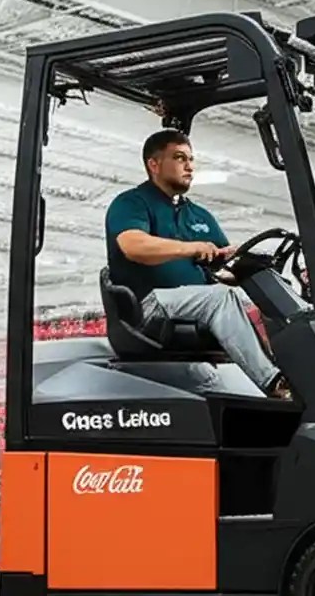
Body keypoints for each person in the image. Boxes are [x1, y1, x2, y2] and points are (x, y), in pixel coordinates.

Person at [105, 129, 292, 399]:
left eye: (191, 159)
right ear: (154, 164)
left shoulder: (198, 214)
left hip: (195, 303)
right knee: (220, 298)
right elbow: (135, 247)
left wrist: (240, 261)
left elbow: (222, 264)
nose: (190, 166)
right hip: (147, 305)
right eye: (180, 158)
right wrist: (191, 248)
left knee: (260, 298)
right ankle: (275, 383)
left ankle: (294, 368)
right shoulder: (131, 203)